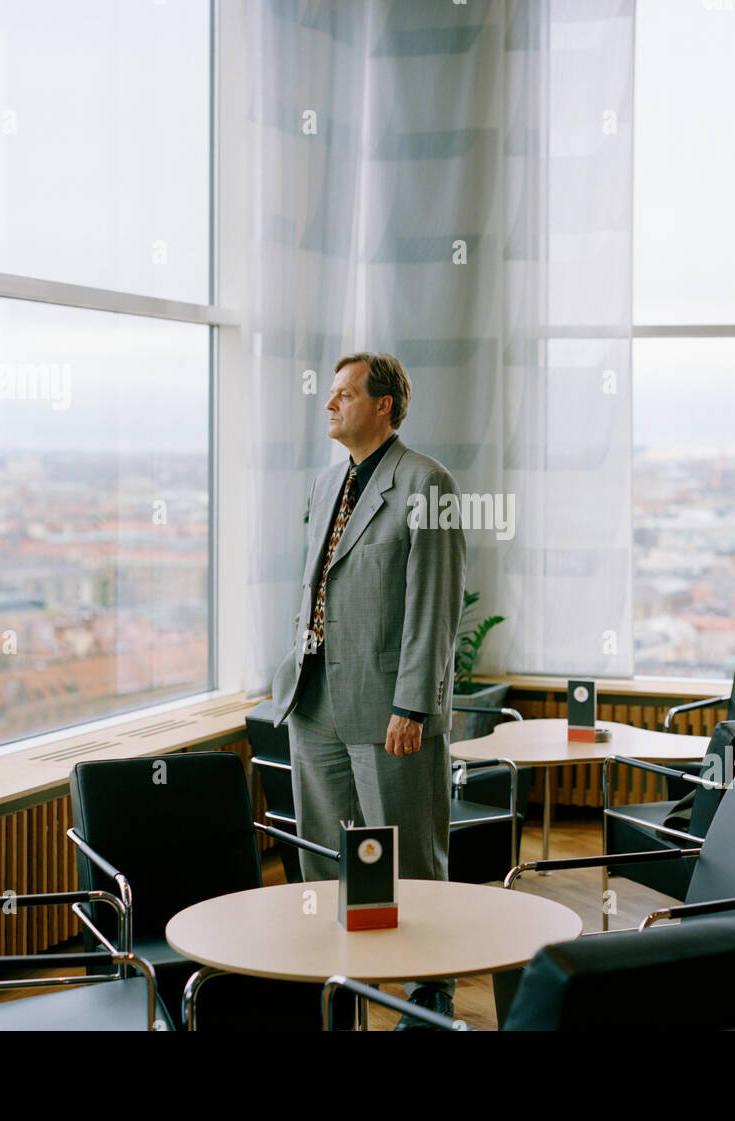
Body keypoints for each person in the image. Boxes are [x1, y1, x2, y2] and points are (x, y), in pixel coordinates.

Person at [270, 351, 467, 1028]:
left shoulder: (427, 484)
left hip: (390, 705)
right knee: (325, 850)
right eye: (330, 395)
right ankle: (342, 979)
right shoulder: (327, 484)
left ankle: (430, 989)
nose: (330, 405)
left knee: (408, 853)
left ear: (382, 405)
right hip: (315, 696)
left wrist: (414, 703)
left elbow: (435, 607)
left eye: (344, 395)